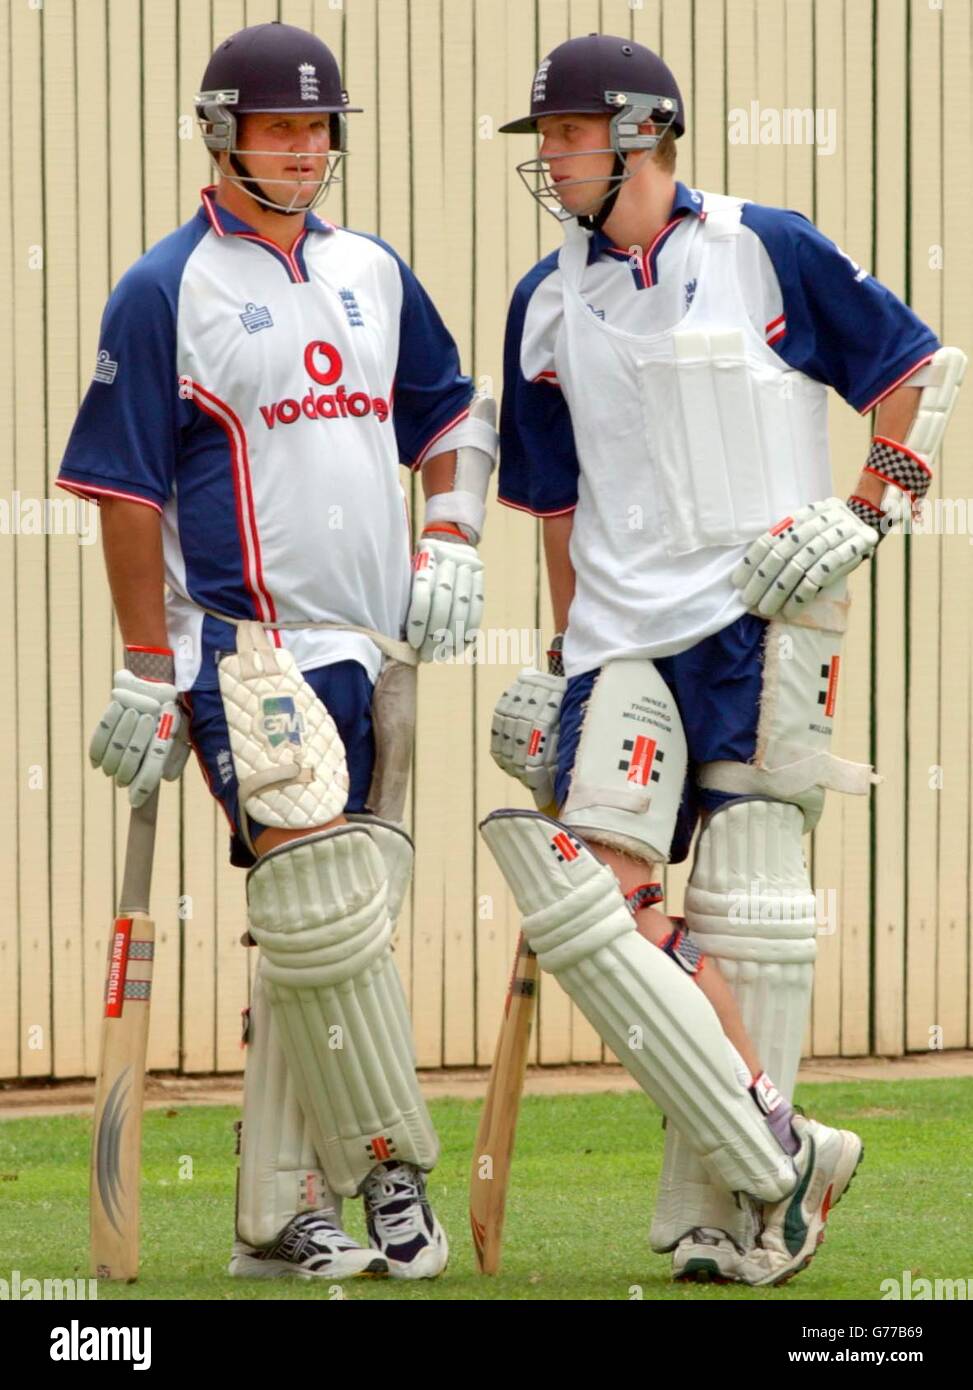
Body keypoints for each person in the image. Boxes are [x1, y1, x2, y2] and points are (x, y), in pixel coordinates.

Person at [486, 32, 964, 1285]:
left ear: (642, 135)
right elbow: (550, 500)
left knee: (747, 918)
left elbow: (919, 368)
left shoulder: (764, 245)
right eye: (547, 138)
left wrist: (868, 508)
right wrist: (556, 654)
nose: (552, 156)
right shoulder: (543, 298)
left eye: (570, 135)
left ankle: (726, 1215)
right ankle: (784, 1151)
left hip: (760, 620)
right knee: (602, 915)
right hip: (615, 637)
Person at [58, 21, 497, 1283]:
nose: (303, 150)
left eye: (318, 127)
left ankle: (273, 1218)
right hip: (242, 650)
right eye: (278, 127)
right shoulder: (164, 289)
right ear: (221, 134)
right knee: (319, 905)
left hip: (371, 649)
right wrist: (148, 664)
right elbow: (122, 489)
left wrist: (454, 534)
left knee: (325, 939)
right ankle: (388, 1167)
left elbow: (453, 415)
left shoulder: (372, 267)